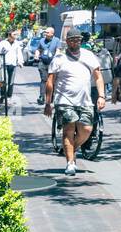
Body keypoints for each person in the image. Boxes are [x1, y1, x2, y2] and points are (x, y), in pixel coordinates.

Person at [44, 28, 106, 176]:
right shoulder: (59, 58)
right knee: (68, 130)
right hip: (64, 100)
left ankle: (71, 147)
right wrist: (48, 103)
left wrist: (101, 96)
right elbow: (50, 81)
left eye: (78, 40)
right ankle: (70, 163)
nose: (75, 42)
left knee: (87, 130)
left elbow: (98, 77)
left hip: (85, 101)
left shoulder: (89, 56)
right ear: (67, 42)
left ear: (81, 41)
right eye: (72, 40)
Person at [32, 26, 61, 106]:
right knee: (44, 79)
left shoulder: (57, 40)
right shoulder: (41, 40)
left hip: (52, 63)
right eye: (45, 32)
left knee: (52, 80)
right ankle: (41, 97)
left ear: (52, 33)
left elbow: (58, 50)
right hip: (43, 62)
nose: (46, 34)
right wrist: (36, 55)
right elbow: (38, 49)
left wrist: (57, 57)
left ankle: (51, 97)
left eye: (47, 32)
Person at [0, 29, 22, 104]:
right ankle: (3, 96)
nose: (15, 36)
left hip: (13, 64)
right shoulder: (3, 43)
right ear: (9, 36)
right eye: (14, 35)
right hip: (4, 64)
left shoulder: (16, 43)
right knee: (4, 81)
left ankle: (9, 96)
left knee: (11, 82)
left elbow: (19, 53)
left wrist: (20, 61)